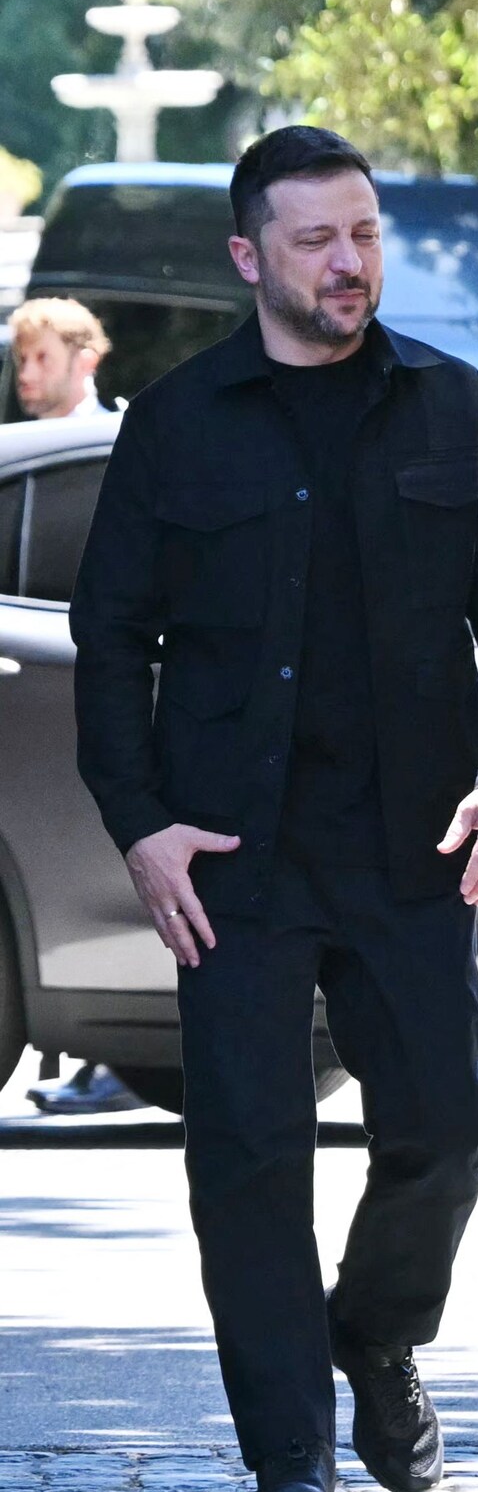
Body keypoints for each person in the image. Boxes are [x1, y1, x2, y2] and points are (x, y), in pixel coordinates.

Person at [69, 126, 478, 1492]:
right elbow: (111, 641)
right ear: (249, 258)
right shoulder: (176, 424)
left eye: (364, 236)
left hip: (413, 847)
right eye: (315, 241)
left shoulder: (450, 405)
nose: (350, 265)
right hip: (234, 855)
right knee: (248, 1147)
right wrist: (142, 825)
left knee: (445, 1131)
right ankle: (290, 1457)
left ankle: (378, 1332)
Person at [11, 297, 143, 1115]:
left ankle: (119, 1058)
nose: (27, 378)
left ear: (84, 360)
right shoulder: (31, 460)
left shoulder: (114, 450)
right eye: (20, 363)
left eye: (42, 361)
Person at [10, 296, 109, 420]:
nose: (25, 375)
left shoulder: (116, 435)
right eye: (23, 360)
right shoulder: (19, 436)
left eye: (43, 358)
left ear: (85, 363)